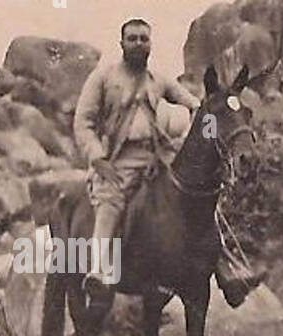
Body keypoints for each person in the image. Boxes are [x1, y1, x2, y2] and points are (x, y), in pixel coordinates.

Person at [72, 18, 202, 296]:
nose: (139, 44)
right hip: (117, 160)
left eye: (144, 39)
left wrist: (196, 119)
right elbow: (83, 123)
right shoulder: (103, 77)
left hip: (156, 155)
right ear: (122, 43)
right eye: (132, 38)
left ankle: (224, 265)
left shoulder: (158, 78)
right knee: (109, 202)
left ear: (150, 43)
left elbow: (194, 103)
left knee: (194, 192)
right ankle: (98, 271)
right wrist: (97, 158)